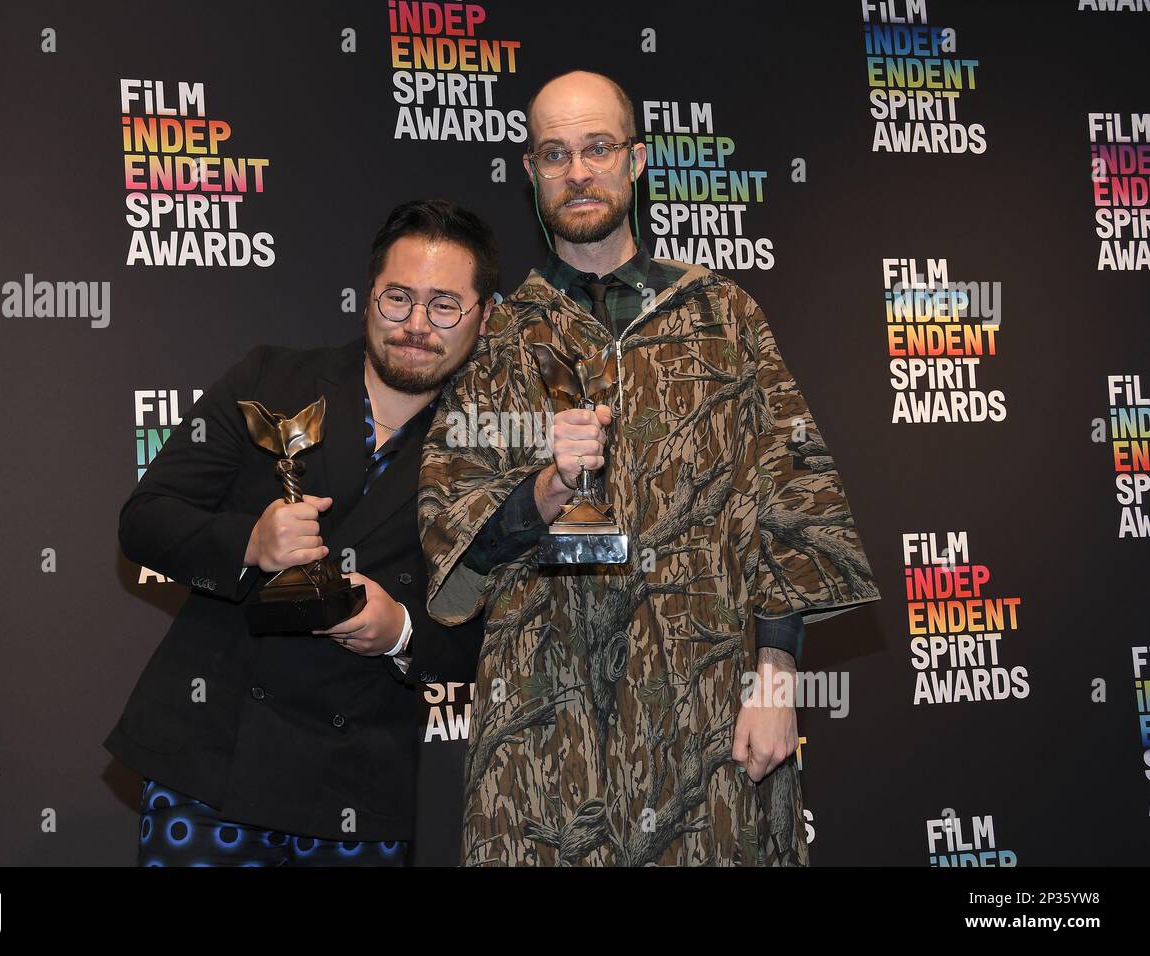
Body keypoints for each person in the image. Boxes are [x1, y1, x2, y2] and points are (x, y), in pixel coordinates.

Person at [418, 71, 881, 866]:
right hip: (543, 735)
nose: (579, 171)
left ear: (636, 160)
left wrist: (776, 684)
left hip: (707, 716)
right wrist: (545, 489)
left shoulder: (723, 316)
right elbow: (455, 542)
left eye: (597, 147)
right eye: (555, 154)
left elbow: (793, 492)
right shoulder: (497, 340)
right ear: (530, 174)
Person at [105, 198, 496, 866]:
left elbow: (505, 628)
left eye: (444, 305)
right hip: (213, 766)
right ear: (367, 296)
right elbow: (145, 522)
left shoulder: (492, 449)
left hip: (360, 789)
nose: (416, 325)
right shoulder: (271, 379)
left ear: (482, 318)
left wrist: (400, 629)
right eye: (398, 298)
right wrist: (249, 544)